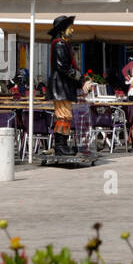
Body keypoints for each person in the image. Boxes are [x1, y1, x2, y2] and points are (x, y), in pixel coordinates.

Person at [47, 15, 83, 157]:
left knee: (65, 116)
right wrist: (78, 76)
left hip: (62, 86)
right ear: (62, 30)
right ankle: (60, 146)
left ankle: (62, 145)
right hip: (60, 87)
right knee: (63, 115)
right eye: (70, 28)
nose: (72, 30)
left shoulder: (62, 44)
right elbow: (63, 67)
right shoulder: (60, 44)